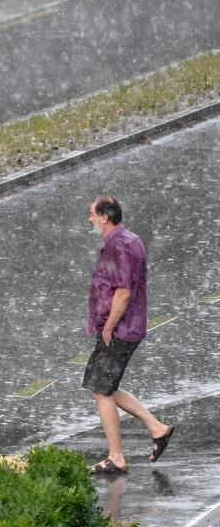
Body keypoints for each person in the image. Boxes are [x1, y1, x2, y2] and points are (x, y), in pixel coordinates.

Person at [83, 196, 173, 475]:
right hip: (126, 326)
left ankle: (116, 457)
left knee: (101, 388)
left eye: (92, 214)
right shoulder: (129, 239)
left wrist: (108, 327)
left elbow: (123, 293)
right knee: (104, 385)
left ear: (104, 217)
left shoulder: (119, 245)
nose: (89, 219)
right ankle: (157, 428)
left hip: (120, 329)